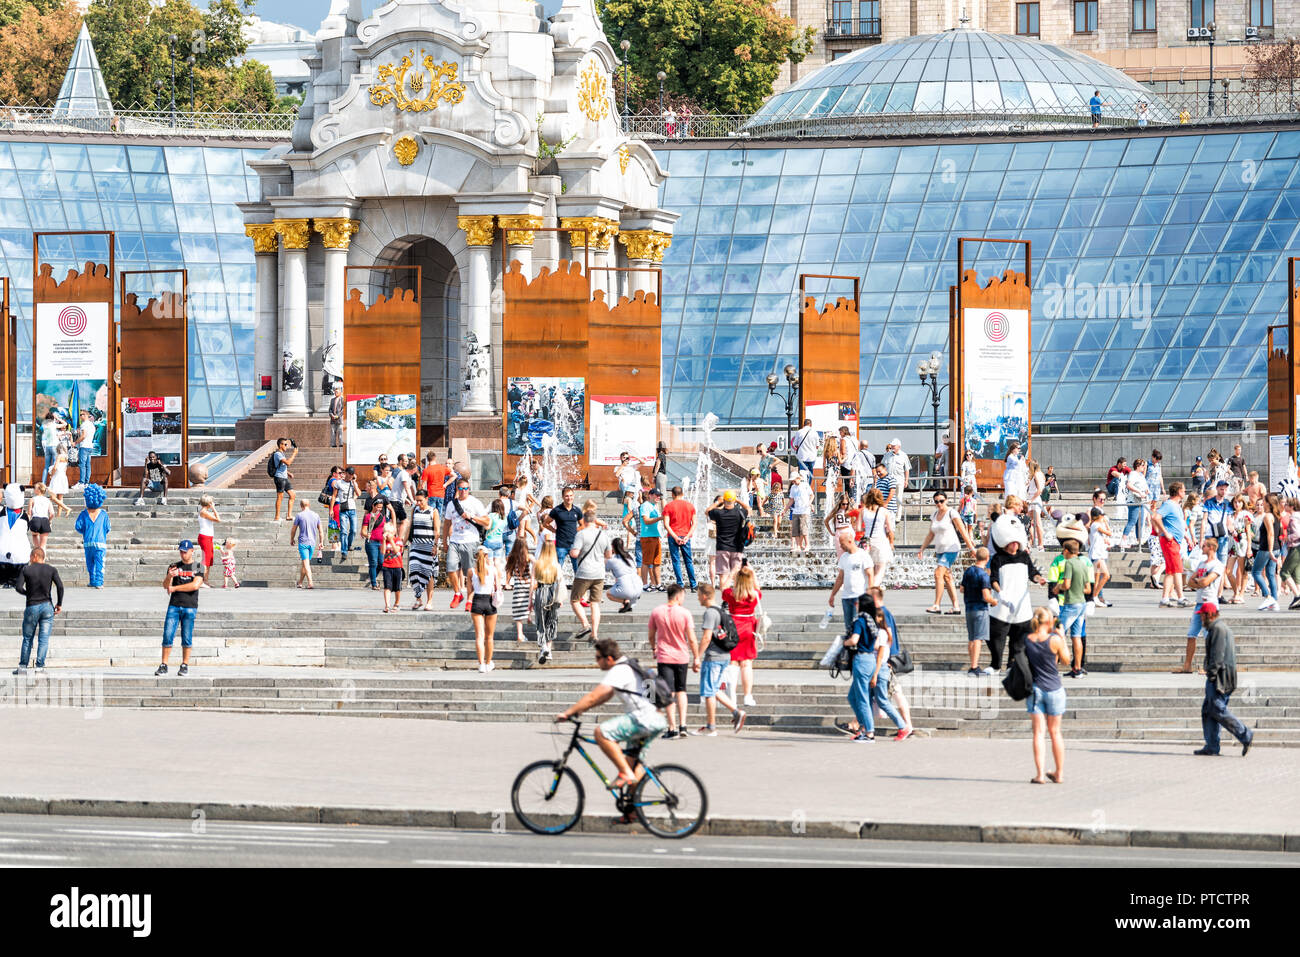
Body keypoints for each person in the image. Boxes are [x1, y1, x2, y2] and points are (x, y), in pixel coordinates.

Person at [553, 638, 668, 790]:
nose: (596, 661)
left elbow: (594, 696)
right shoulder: (629, 664)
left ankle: (625, 773)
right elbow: (604, 696)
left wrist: (568, 713)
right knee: (633, 764)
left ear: (609, 659)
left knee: (601, 733)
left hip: (643, 719)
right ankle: (632, 812)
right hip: (656, 718)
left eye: (598, 658)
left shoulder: (619, 670)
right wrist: (581, 710)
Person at [843, 595, 907, 742]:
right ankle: (866, 728)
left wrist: (875, 674)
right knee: (857, 697)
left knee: (876, 700)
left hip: (876, 667)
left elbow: (879, 654)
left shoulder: (873, 628)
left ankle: (872, 730)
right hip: (873, 665)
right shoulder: (873, 627)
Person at [987, 512, 1046, 671]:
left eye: (1016, 542)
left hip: (1022, 606)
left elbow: (1032, 573)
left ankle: (1012, 664)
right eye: (1011, 542)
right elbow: (993, 579)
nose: (1014, 545)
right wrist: (1001, 593)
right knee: (996, 638)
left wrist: (1039, 579)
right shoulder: (998, 558)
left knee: (1019, 639)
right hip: (1002, 605)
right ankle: (995, 664)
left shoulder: (1024, 557)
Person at [1194, 603, 1254, 756]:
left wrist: (1211, 674)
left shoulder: (1217, 629)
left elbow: (1218, 655)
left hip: (1221, 676)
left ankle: (1245, 734)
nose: (1200, 617)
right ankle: (1212, 745)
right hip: (1222, 674)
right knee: (1208, 710)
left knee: (1217, 709)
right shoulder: (1218, 628)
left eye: (1202, 615)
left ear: (1210, 615)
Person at [1024, 607, 1070, 783]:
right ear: (1049, 621)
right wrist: (1062, 637)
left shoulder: (1028, 640)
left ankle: (1040, 774)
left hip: (1035, 689)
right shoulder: (1055, 640)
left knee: (1038, 733)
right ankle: (1059, 773)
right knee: (1055, 733)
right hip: (1055, 689)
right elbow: (1066, 660)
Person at [648, 583, 699, 739]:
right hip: (682, 656)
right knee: (681, 690)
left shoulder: (657, 612)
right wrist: (696, 657)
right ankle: (683, 724)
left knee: (668, 692)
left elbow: (651, 634)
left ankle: (672, 728)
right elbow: (691, 638)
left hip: (664, 656)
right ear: (678, 596)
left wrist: (653, 648)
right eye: (683, 596)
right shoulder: (685, 613)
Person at [693, 583, 745, 735]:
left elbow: (707, 637)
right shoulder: (720, 610)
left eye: (698, 596)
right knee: (713, 689)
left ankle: (711, 727)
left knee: (709, 691)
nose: (697, 599)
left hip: (713, 657)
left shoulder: (710, 613)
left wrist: (697, 656)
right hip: (724, 656)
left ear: (704, 596)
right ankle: (736, 712)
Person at [917, 490, 975, 614]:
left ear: (946, 500)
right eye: (936, 502)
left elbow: (962, 530)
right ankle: (956, 606)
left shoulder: (951, 513)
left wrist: (971, 548)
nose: (939, 504)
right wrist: (922, 548)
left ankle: (936, 605)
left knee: (938, 573)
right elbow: (931, 534)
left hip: (951, 548)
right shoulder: (934, 515)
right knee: (947, 577)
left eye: (941, 501)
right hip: (940, 550)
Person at [11, 547, 63, 675]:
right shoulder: (51, 569)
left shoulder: (26, 569)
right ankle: (39, 667)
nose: (29, 560)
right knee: (43, 639)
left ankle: (23, 667)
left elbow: (18, 587)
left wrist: (28, 593)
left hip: (32, 606)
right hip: (47, 606)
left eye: (30, 557)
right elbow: (60, 586)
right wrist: (59, 604)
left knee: (27, 638)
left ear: (35, 556)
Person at [1177, 536, 1225, 674]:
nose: (1201, 548)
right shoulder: (1202, 564)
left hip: (1210, 603)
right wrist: (1200, 581)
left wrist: (1198, 581)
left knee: (1209, 635)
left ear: (1211, 548)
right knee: (1191, 634)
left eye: (1204, 546)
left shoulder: (1217, 565)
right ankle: (1187, 666)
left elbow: (1204, 582)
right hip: (1199, 603)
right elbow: (1189, 581)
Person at [155, 540, 203, 677]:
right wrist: (169, 576)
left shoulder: (198, 566)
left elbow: (195, 585)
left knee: (186, 637)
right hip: (174, 605)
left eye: (185, 551)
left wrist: (175, 588)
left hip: (190, 606)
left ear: (192, 551)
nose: (183, 554)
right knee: (167, 635)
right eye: (181, 551)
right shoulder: (174, 566)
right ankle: (164, 664)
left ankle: (184, 664)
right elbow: (165, 586)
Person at [444, 478, 488, 609]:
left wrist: (472, 517)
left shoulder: (475, 502)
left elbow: (486, 521)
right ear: (457, 489)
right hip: (455, 540)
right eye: (461, 488)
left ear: (469, 489)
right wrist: (445, 540)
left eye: (466, 489)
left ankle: (470, 599)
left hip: (470, 540)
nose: (463, 491)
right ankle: (458, 593)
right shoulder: (452, 504)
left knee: (470, 572)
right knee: (450, 568)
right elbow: (447, 523)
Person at [569, 504, 609, 642]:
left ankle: (585, 624)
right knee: (595, 603)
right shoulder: (603, 535)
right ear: (595, 520)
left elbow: (574, 554)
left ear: (584, 521)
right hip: (599, 573)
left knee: (574, 600)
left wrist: (572, 551)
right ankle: (595, 634)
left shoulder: (581, 534)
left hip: (584, 573)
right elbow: (608, 555)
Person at [722, 563, 761, 707]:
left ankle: (732, 696)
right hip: (749, 627)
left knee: (733, 663)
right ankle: (747, 696)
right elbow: (758, 588)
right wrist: (752, 572)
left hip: (733, 627)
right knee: (747, 664)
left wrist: (732, 573)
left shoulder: (732, 595)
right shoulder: (753, 595)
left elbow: (723, 588)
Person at [1055, 539, 1093, 679]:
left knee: (1057, 633)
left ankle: (1051, 670)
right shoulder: (1084, 564)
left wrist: (1058, 587)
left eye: (1063, 550)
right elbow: (1088, 589)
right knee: (1076, 636)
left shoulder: (1069, 563)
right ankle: (1077, 668)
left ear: (1066, 551)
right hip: (1082, 603)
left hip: (1071, 604)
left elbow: (1066, 585)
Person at [1151, 482, 1189, 608]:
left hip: (1174, 541)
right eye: (1183, 490)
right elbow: (1156, 516)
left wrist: (1186, 537)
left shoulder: (1176, 505)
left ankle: (1165, 598)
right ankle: (1181, 598)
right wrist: (1164, 532)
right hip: (1170, 541)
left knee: (1171, 571)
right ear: (1178, 491)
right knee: (1177, 570)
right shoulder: (1169, 504)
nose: (1185, 492)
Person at [962, 546, 997, 675]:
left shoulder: (969, 571)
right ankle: (974, 667)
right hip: (980, 609)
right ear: (987, 559)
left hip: (969, 608)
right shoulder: (984, 575)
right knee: (978, 639)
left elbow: (962, 589)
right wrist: (994, 601)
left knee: (971, 638)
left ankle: (972, 664)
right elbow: (986, 596)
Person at [827, 530, 871, 632]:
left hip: (859, 596)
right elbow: (840, 578)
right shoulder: (843, 557)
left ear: (850, 541)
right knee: (848, 626)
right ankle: (851, 646)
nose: (841, 547)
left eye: (842, 544)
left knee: (859, 625)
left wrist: (870, 593)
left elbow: (870, 574)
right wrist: (833, 594)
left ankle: (859, 645)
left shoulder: (862, 555)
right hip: (846, 597)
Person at [707, 490, 749, 589]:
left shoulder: (718, 513)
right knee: (736, 574)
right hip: (737, 547)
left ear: (724, 500)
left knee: (723, 575)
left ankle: (725, 599)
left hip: (722, 547)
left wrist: (718, 502)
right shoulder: (740, 512)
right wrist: (738, 500)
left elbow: (707, 511)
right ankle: (735, 597)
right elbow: (748, 508)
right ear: (734, 500)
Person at [470, 546, 502, 672]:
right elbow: (498, 588)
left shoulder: (471, 571)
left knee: (479, 636)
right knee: (489, 636)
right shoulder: (493, 570)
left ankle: (481, 664)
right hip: (490, 601)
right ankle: (489, 663)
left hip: (477, 601)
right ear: (487, 556)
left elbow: (470, 591)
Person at [406, 488, 439, 611]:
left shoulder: (433, 511)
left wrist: (435, 545)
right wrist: (402, 543)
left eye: (420, 500)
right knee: (413, 571)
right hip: (416, 545)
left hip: (428, 546)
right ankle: (418, 598)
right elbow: (410, 527)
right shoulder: (415, 510)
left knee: (428, 573)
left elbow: (437, 530)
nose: (418, 503)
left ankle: (429, 601)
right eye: (416, 500)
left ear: (426, 499)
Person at [73, 484, 110, 589]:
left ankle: (92, 580)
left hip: (88, 542)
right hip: (100, 542)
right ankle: (99, 582)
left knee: (90, 563)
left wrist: (86, 531)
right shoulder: (103, 514)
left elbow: (78, 527)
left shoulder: (83, 514)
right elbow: (108, 528)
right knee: (99, 562)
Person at [858, 487, 894, 590]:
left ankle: (869, 586)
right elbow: (889, 530)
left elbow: (859, 528)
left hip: (867, 541)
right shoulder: (884, 511)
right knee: (881, 568)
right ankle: (873, 587)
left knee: (871, 567)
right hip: (881, 540)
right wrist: (891, 542)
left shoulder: (863, 511)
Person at [661, 485, 697, 590]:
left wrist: (676, 537)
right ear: (682, 494)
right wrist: (687, 536)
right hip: (686, 535)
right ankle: (693, 585)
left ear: (672, 494)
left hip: (673, 536)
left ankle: (680, 584)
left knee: (676, 561)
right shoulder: (690, 506)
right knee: (688, 561)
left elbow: (666, 525)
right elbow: (694, 523)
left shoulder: (668, 506)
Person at [1251, 493, 1282, 611]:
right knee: (1270, 574)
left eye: (1263, 501)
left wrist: (1269, 550)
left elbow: (1271, 533)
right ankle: (1274, 601)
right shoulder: (1276, 515)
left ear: (1268, 503)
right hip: (1276, 547)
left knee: (1256, 572)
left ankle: (1268, 596)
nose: (1262, 503)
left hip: (1266, 548)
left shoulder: (1267, 516)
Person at [544, 487, 583, 577]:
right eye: (566, 496)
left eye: (571, 496)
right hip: (561, 544)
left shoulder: (577, 510)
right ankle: (554, 589)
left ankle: (579, 590)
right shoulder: (557, 510)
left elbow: (583, 525)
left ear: (573, 496)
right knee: (557, 569)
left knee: (577, 569)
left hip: (574, 544)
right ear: (562, 497)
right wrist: (554, 530)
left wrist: (575, 531)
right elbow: (545, 523)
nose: (569, 498)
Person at [532, 539, 560, 664]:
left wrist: (529, 601)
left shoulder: (537, 564)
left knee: (541, 621)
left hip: (540, 592)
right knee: (551, 621)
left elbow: (533, 584)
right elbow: (559, 582)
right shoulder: (556, 565)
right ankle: (549, 648)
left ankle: (543, 647)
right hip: (553, 593)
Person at [505, 536, 534, 641]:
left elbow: (508, 571)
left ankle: (520, 634)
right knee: (531, 603)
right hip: (528, 585)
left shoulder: (512, 557)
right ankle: (530, 617)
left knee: (518, 611)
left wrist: (507, 583)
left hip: (518, 587)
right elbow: (537, 565)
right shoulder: (529, 557)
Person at [361, 498, 392, 590]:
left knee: (381, 563)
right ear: (373, 506)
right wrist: (367, 535)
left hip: (382, 542)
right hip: (372, 543)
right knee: (373, 562)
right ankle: (374, 583)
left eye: (381, 507)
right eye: (378, 507)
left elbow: (386, 528)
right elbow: (363, 531)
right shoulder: (368, 516)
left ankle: (372, 577)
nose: (379, 509)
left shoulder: (383, 517)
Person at [638, 488, 665, 591]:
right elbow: (646, 521)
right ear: (650, 495)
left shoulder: (654, 506)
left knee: (657, 562)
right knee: (646, 562)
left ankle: (658, 584)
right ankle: (644, 585)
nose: (658, 497)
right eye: (656, 495)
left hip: (655, 536)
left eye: (659, 495)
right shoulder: (645, 506)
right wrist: (659, 518)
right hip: (647, 536)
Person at [606, 537, 642, 613]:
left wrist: (606, 556)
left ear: (612, 547)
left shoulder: (612, 560)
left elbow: (605, 569)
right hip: (639, 586)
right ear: (623, 546)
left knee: (608, 593)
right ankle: (629, 604)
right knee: (621, 584)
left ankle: (625, 601)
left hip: (626, 587)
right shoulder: (630, 555)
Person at [1086, 506, 1113, 608]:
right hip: (1096, 554)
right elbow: (1109, 533)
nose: (1103, 517)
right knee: (1106, 575)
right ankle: (1094, 596)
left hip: (1099, 554)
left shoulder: (1096, 525)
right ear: (1097, 516)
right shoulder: (1096, 525)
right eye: (1101, 516)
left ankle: (1094, 598)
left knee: (1097, 578)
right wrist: (1105, 522)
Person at [270, 437, 298, 522]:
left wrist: (288, 473)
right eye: (285, 444)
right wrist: (294, 453)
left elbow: (282, 466)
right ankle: (277, 517)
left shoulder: (282, 454)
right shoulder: (278, 454)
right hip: (279, 478)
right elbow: (288, 463)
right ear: (281, 445)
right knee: (280, 496)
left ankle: (289, 515)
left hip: (284, 477)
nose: (287, 446)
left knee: (292, 495)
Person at [785, 471, 812, 553]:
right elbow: (791, 500)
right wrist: (785, 510)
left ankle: (807, 545)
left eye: (794, 480)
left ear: (798, 478)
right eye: (792, 481)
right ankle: (798, 546)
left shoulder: (805, 485)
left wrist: (809, 503)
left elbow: (812, 495)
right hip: (795, 510)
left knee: (803, 529)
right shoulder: (793, 487)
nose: (793, 482)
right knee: (795, 529)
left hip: (804, 510)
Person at [197, 495, 220, 585]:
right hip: (205, 537)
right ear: (209, 503)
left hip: (208, 537)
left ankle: (205, 580)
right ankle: (201, 581)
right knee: (205, 560)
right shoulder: (204, 512)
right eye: (211, 502)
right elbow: (218, 519)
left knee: (209, 560)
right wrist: (214, 508)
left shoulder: (205, 511)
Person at [792, 418, 820, 484]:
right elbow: (817, 446)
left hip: (802, 456)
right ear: (810, 424)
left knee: (802, 473)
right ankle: (808, 486)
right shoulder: (815, 433)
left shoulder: (799, 432)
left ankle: (803, 486)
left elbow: (795, 445)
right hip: (812, 456)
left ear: (803, 424)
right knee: (810, 472)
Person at [28, 484, 53, 552]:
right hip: (45, 520)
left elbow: (29, 513)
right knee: (43, 546)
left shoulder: (32, 499)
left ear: (38, 490)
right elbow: (52, 513)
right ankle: (42, 560)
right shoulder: (48, 500)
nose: (34, 489)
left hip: (35, 519)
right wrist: (49, 521)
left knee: (35, 537)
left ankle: (36, 554)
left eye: (35, 488)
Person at [74, 410, 96, 488]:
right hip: (90, 446)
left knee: (82, 465)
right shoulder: (91, 425)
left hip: (84, 446)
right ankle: (86, 482)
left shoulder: (84, 424)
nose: (80, 416)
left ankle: (81, 482)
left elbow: (83, 436)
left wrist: (75, 443)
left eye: (81, 415)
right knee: (87, 465)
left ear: (85, 415)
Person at [48, 450, 71, 516]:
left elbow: (55, 467)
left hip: (57, 477)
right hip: (63, 477)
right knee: (60, 497)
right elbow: (65, 469)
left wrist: (52, 474)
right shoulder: (66, 456)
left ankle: (66, 508)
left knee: (52, 496)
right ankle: (59, 514)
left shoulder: (59, 456)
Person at [40, 411, 61, 482]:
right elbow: (65, 424)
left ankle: (43, 483)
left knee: (46, 467)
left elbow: (40, 429)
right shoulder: (54, 425)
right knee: (54, 466)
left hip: (47, 447)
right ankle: (53, 483)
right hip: (54, 446)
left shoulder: (44, 425)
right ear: (53, 418)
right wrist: (57, 417)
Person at [328, 381, 345, 448]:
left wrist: (338, 415)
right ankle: (333, 444)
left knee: (340, 432)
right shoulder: (332, 400)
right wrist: (331, 415)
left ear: (341, 392)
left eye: (337, 391)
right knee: (333, 432)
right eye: (335, 391)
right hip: (333, 419)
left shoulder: (342, 399)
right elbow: (330, 409)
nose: (336, 392)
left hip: (340, 419)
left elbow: (343, 409)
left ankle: (341, 444)